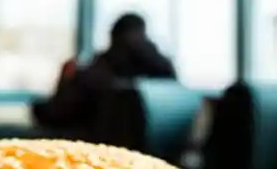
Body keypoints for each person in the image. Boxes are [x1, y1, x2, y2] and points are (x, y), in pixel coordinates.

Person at [33, 13, 176, 133]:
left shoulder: (97, 72)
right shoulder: (163, 76)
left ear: (112, 36)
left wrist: (65, 81)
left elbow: (56, 114)